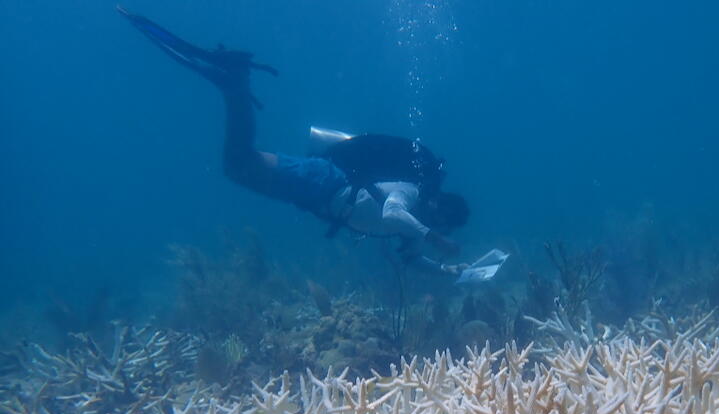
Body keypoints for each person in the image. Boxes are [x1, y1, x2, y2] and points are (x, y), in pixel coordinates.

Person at [117, 7, 470, 275]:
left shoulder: (414, 227)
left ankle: (233, 85)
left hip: (318, 195)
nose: (439, 227)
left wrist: (450, 272)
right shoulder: (410, 193)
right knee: (239, 164)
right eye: (443, 221)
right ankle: (234, 84)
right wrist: (435, 238)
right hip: (324, 180)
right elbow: (392, 212)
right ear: (438, 205)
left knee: (237, 166)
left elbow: (408, 257)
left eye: (444, 228)